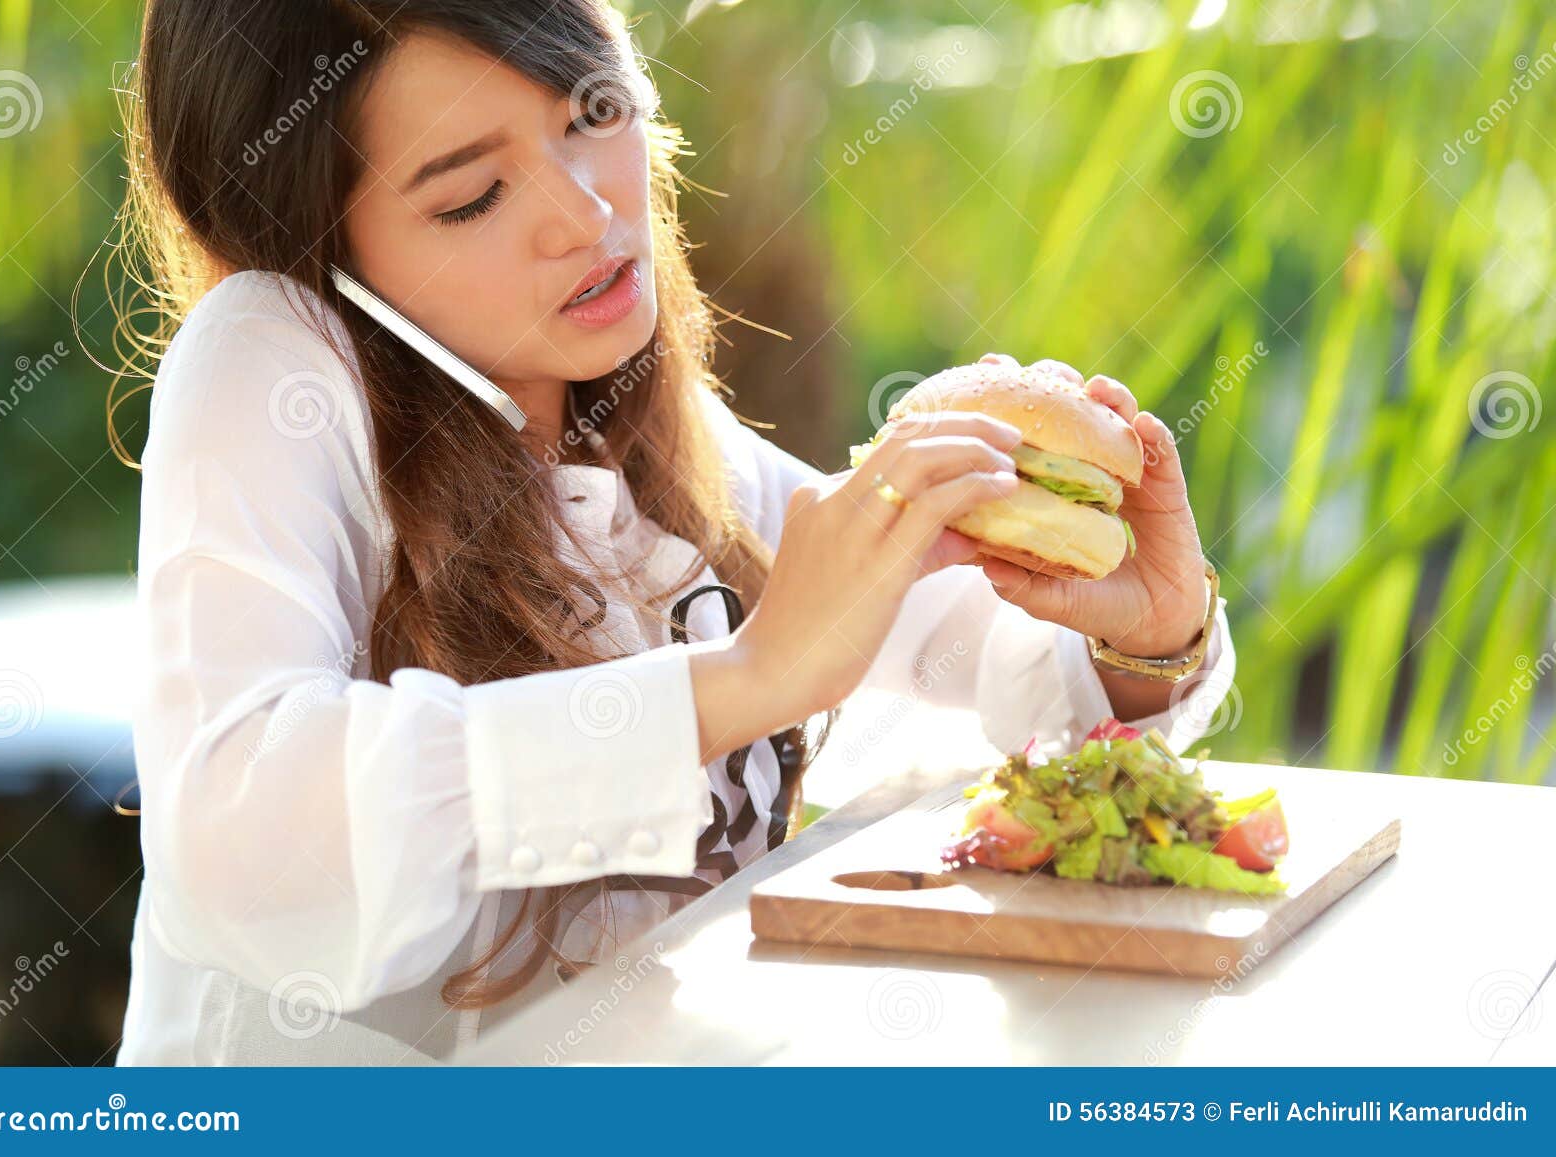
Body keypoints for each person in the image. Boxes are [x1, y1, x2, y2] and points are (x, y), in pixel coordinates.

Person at [108, 0, 1234, 1064]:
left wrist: (1146, 631)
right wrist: (741, 676)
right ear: (316, 250)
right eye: (471, 197)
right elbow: (233, 836)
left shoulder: (639, 431)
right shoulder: (268, 348)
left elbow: (983, 665)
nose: (585, 213)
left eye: (592, 113)